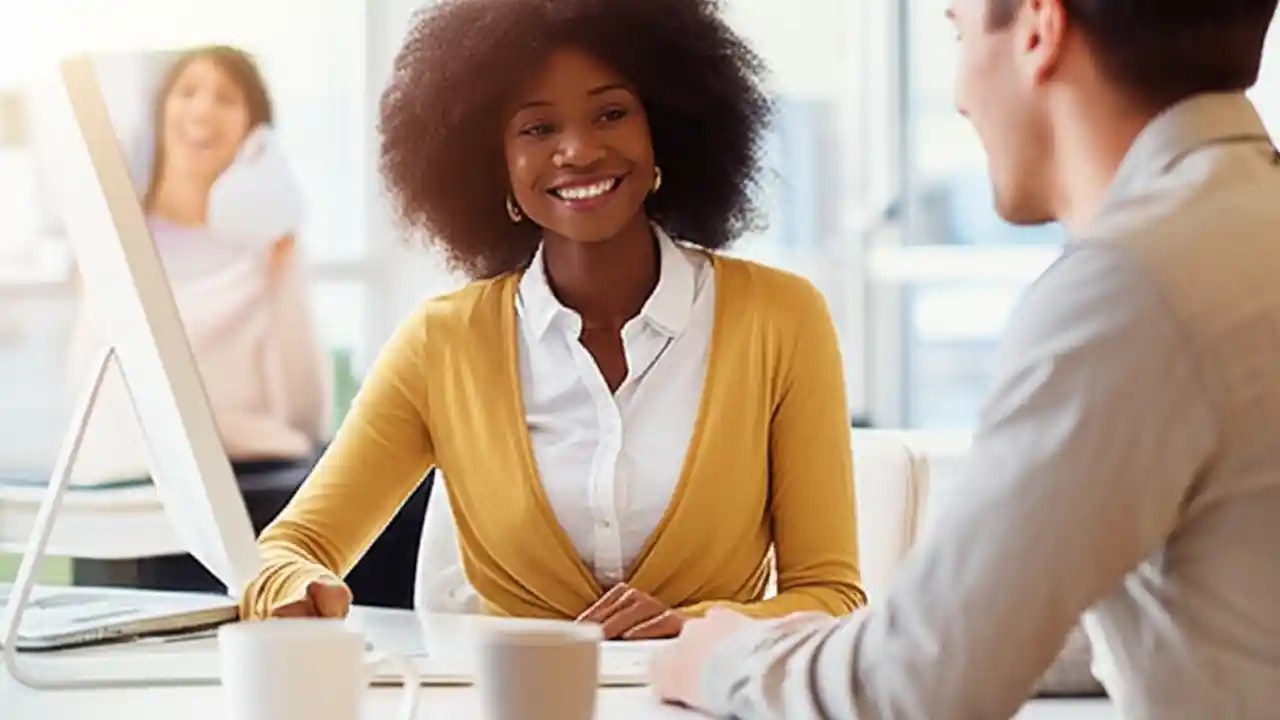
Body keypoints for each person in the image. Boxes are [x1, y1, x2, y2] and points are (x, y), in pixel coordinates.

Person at [653, 0, 1280, 716]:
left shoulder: (1137, 283)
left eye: (958, 30)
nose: (957, 97)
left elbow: (916, 688)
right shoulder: (1244, 229)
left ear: (1040, 29)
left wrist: (724, 659)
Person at [239, 0, 867, 640]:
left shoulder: (779, 318)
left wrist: (692, 628)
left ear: (665, 131)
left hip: (704, 702)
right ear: (493, 165)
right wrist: (299, 588)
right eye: (537, 129)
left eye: (612, 113)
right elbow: (293, 545)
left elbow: (831, 594)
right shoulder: (443, 343)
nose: (578, 150)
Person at [69, 46, 331, 482]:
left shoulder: (270, 251)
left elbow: (305, 416)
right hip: (138, 477)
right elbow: (93, 388)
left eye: (226, 98)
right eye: (187, 91)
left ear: (255, 136)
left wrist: (283, 267)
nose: (203, 110)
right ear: (160, 111)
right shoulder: (112, 241)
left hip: (248, 473)